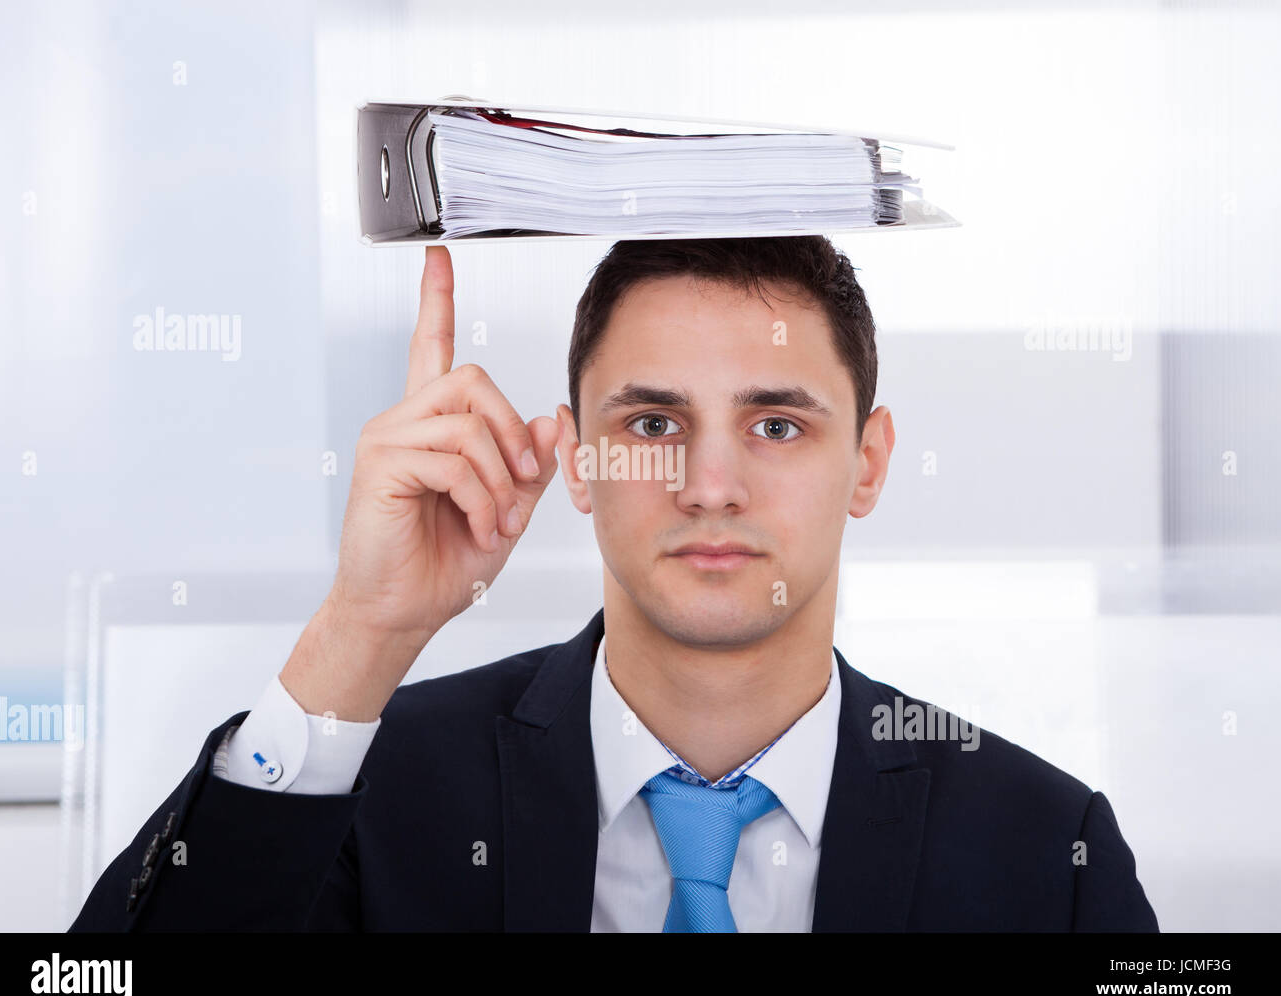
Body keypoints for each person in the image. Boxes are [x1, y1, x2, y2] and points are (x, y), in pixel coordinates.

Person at [70, 236, 1158, 932]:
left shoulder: (1041, 852)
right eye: (652, 424)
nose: (708, 485)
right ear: (579, 460)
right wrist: (363, 629)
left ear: (866, 463)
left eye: (775, 424)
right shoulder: (374, 797)